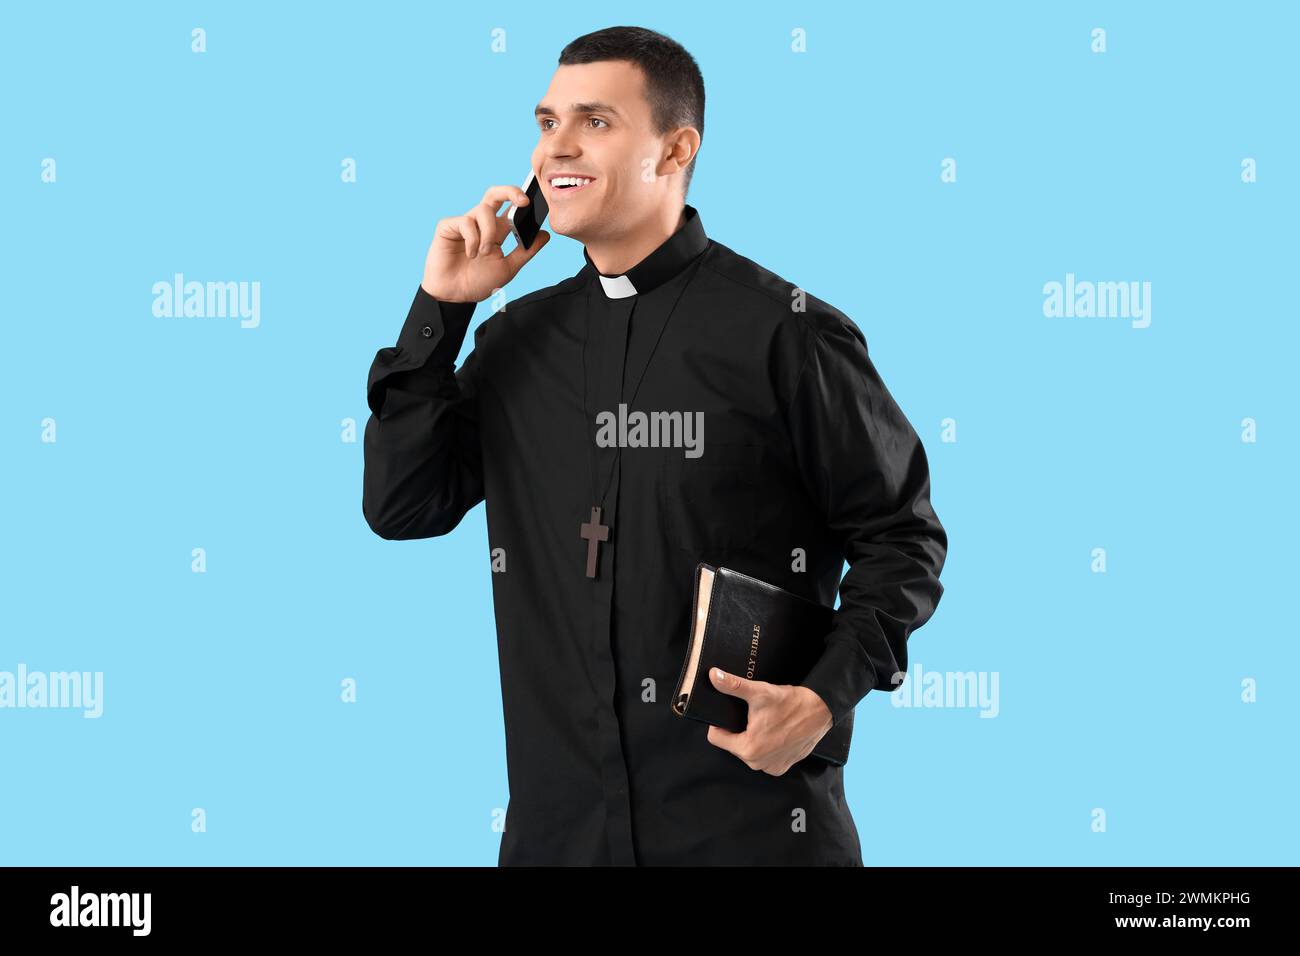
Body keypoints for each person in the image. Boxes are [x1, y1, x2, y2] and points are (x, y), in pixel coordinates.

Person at [363, 25, 947, 865]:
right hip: (558, 840)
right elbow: (400, 506)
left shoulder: (785, 335)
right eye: (546, 121)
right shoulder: (515, 343)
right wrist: (440, 311)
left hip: (752, 836)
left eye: (595, 122)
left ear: (676, 149)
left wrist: (822, 699)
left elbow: (903, 538)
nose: (556, 146)